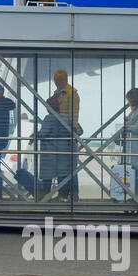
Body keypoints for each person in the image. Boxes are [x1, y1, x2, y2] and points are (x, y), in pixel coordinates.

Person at [42, 69, 79, 201]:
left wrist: (70, 131)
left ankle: (73, 195)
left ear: (64, 79)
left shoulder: (72, 94)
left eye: (57, 80)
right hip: (58, 134)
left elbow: (73, 115)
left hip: (66, 134)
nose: (55, 83)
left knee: (70, 166)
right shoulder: (57, 93)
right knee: (64, 166)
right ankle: (64, 194)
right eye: (55, 80)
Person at [112, 88, 138, 198]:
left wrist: (126, 126)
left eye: (129, 100)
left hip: (137, 147)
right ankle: (130, 194)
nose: (128, 103)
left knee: (136, 172)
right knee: (131, 171)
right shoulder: (135, 111)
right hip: (131, 147)